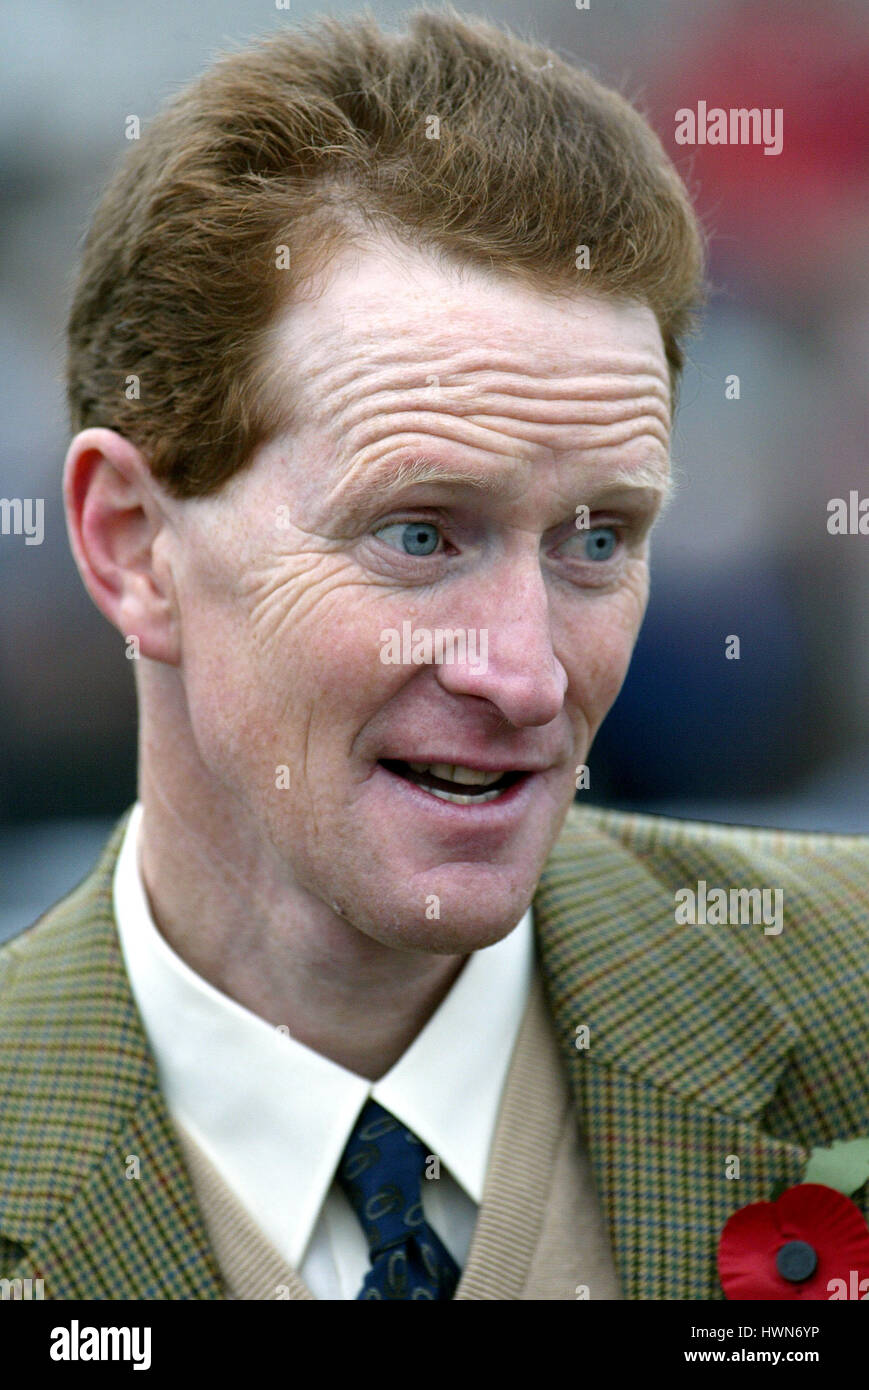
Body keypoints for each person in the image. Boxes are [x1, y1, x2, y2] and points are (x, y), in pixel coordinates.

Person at [1, 10, 866, 1302]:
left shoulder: (843, 1015)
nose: (523, 674)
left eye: (595, 539)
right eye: (417, 533)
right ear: (132, 545)